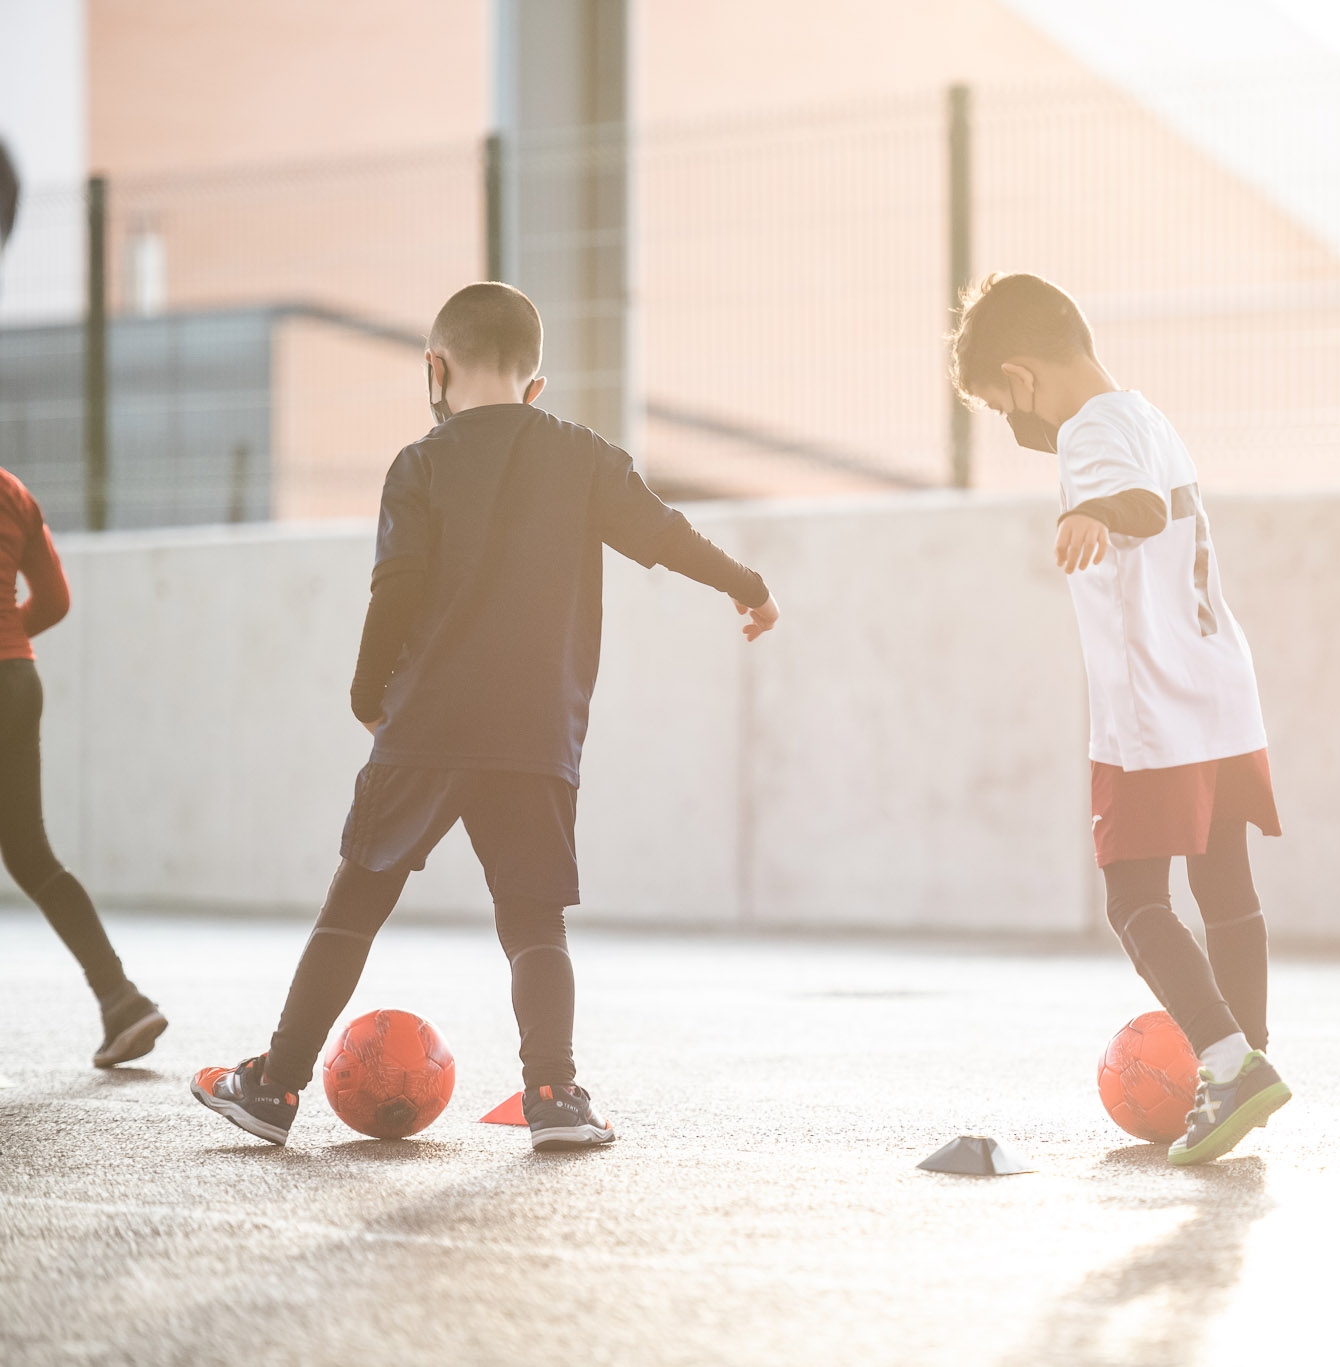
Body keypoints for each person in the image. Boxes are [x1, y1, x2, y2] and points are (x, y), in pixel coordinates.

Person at [193, 282, 778, 1150]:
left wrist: (367, 695)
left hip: (427, 721)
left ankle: (274, 1089)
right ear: (535, 384)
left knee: (354, 903)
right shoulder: (583, 456)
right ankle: (555, 1096)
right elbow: (662, 534)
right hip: (535, 731)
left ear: (435, 367)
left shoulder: (419, 464)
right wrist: (748, 585)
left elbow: (396, 589)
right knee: (534, 918)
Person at [950, 272, 1290, 1166]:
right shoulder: (1144, 414)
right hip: (1219, 684)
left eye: (999, 404)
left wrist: (1093, 511)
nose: (1011, 423)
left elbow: (1135, 505)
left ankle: (1225, 1062)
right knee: (1225, 891)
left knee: (1134, 899)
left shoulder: (1092, 432)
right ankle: (1248, 1060)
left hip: (1155, 703)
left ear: (1022, 376)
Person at [0, 467, 169, 1065]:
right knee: (31, 854)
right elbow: (56, 598)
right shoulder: (13, 490)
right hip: (18, 679)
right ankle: (121, 999)